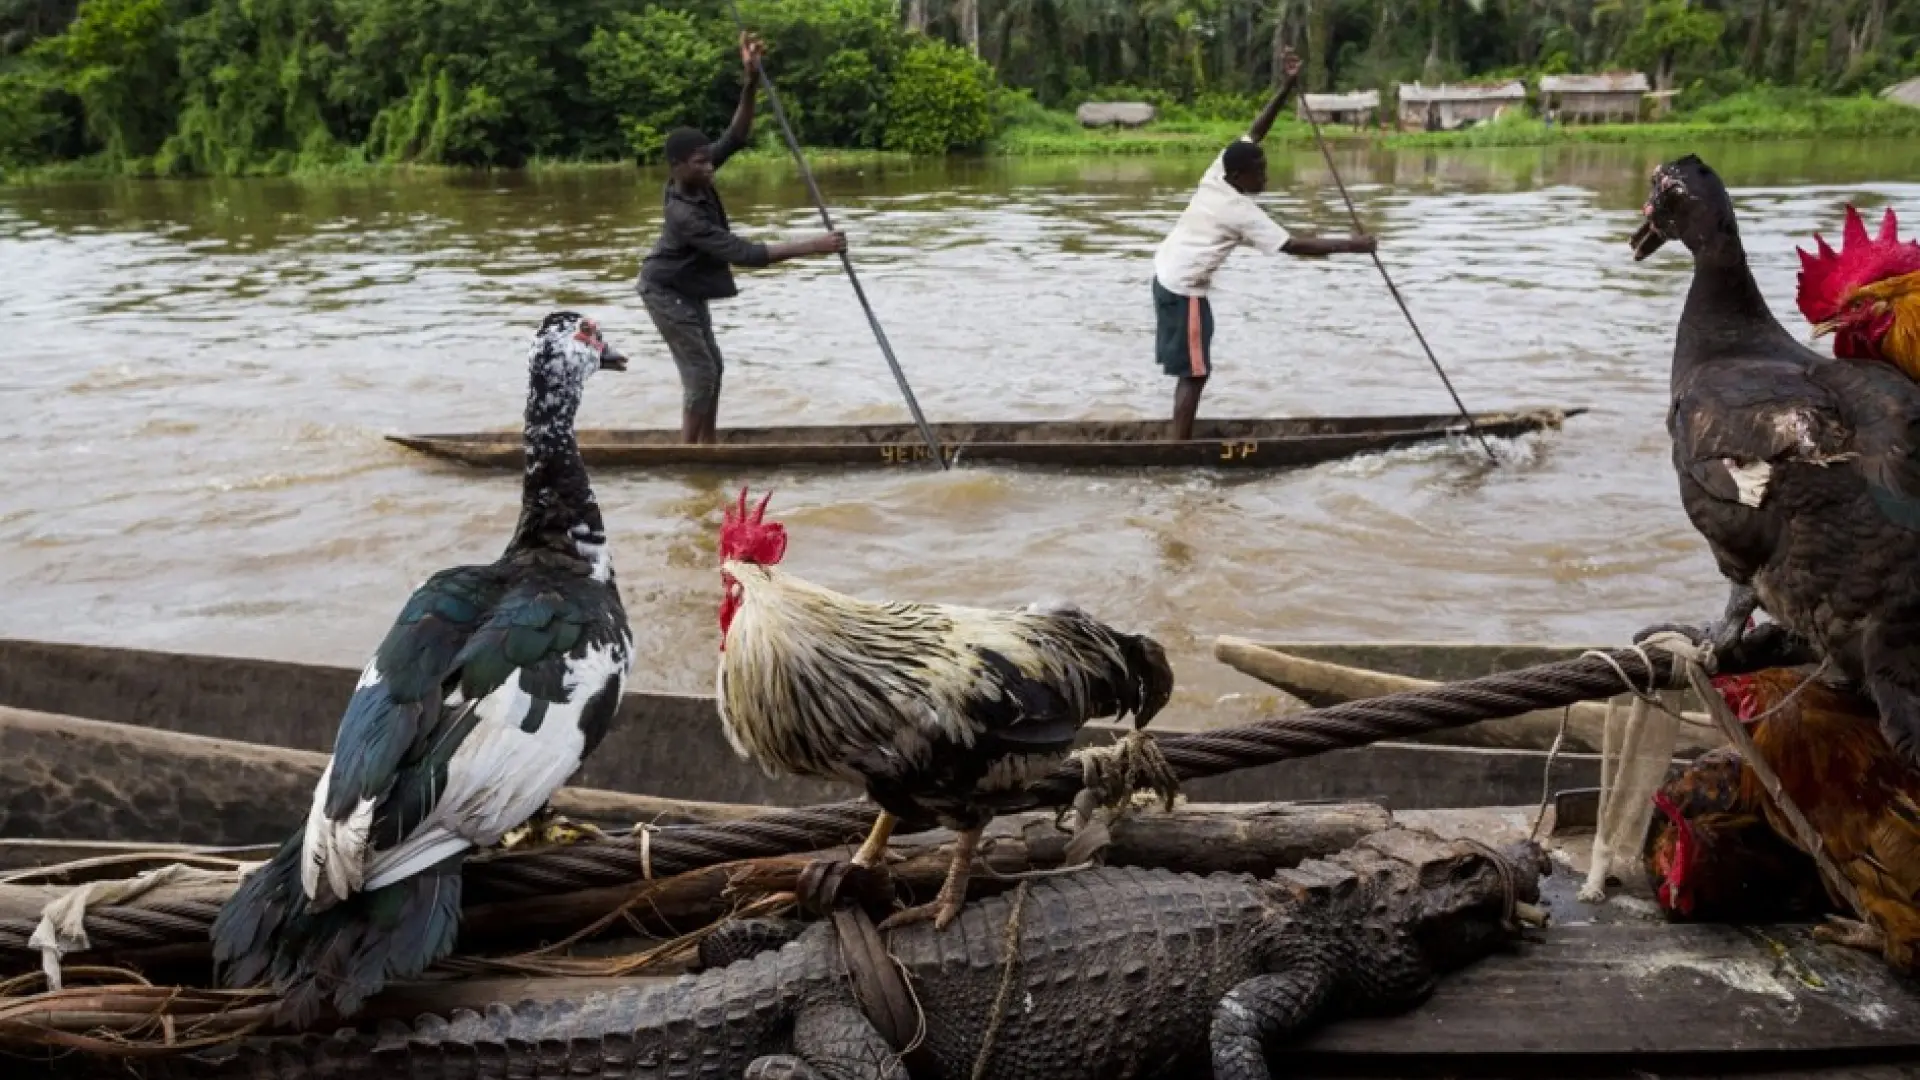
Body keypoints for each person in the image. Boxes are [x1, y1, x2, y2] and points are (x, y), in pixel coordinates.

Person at [1151, 49, 1379, 441]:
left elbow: (1256, 130)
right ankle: (1177, 449)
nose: (1266, 178)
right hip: (1182, 287)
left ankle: (1178, 439)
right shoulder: (1238, 211)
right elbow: (1293, 245)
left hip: (1168, 276)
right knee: (1195, 373)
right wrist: (1353, 245)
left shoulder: (1218, 171)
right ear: (1239, 176)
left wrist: (1287, 87)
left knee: (1194, 369)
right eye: (1259, 172)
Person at [638, 33, 847, 445]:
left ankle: (708, 445)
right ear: (678, 167)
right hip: (664, 290)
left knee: (714, 367)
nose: (710, 168)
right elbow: (746, 254)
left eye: (709, 161)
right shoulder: (684, 214)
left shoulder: (697, 175)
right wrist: (815, 245)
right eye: (701, 163)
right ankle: (689, 454)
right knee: (701, 373)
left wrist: (750, 81)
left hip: (688, 287)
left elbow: (736, 136)